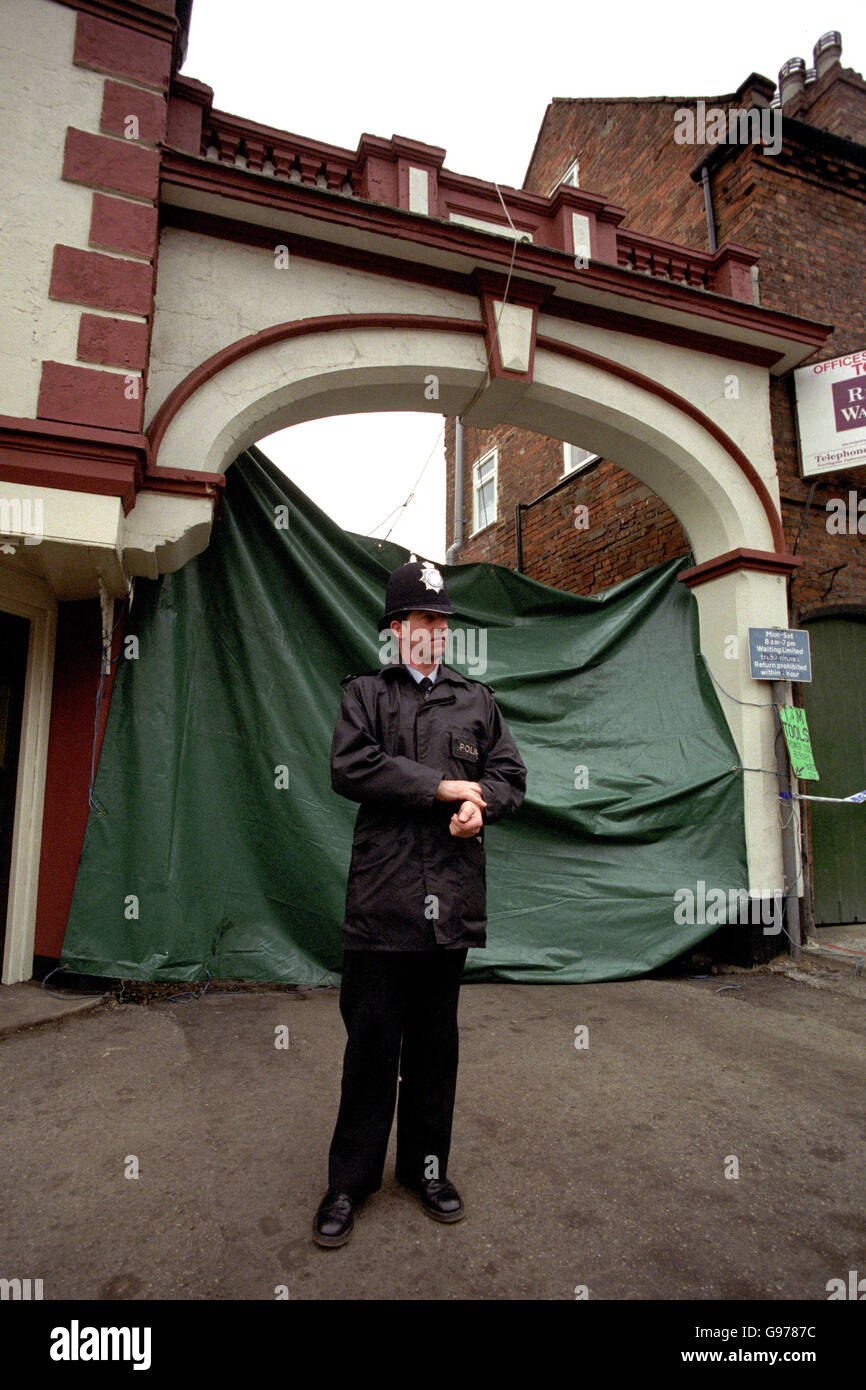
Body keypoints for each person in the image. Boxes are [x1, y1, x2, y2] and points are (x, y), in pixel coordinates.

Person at [313, 557, 527, 1247]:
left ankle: (427, 1172)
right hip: (382, 903)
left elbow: (510, 776)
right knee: (371, 1048)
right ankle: (348, 1184)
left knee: (436, 1049)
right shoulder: (366, 696)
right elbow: (353, 767)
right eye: (420, 621)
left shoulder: (477, 701)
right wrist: (443, 790)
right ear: (396, 629)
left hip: (452, 901)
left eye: (441, 621)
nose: (432, 632)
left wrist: (481, 808)